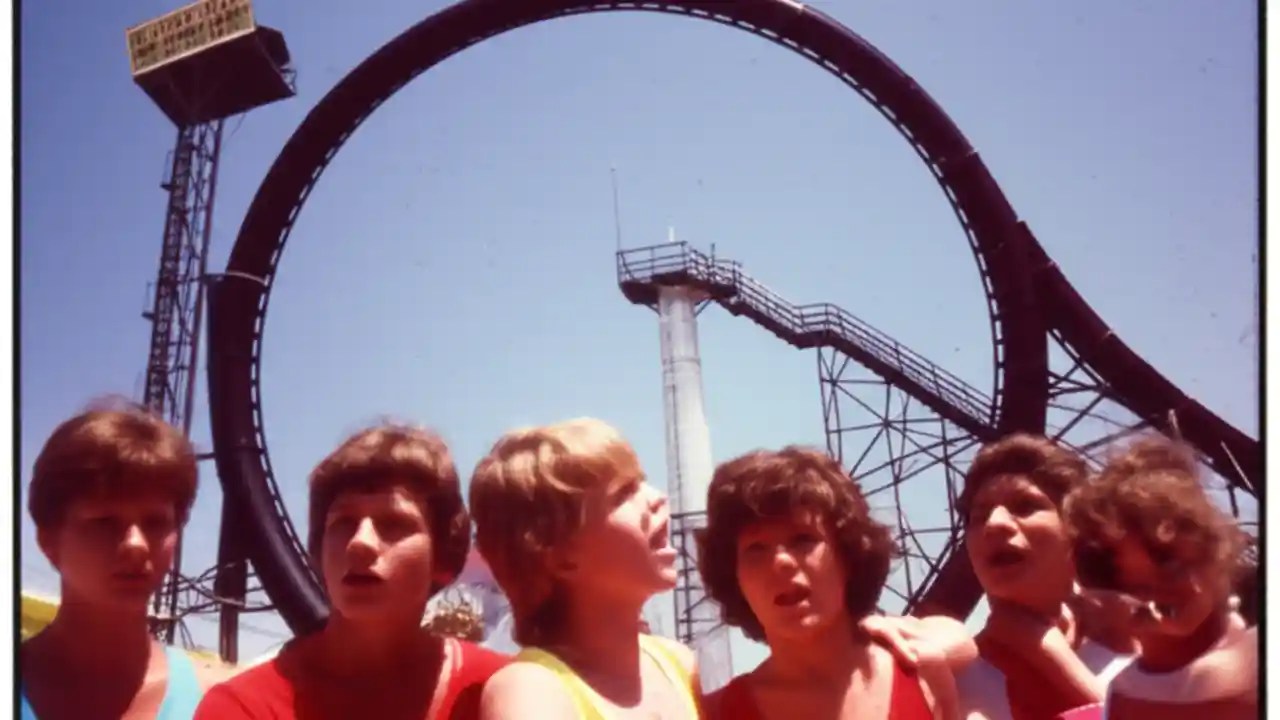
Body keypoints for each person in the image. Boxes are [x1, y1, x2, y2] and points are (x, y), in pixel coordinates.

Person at [195, 424, 509, 720]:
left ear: (443, 558)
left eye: (394, 524)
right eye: (343, 523)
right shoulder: (242, 707)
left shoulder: (503, 695)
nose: (360, 543)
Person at [697, 445, 976, 720]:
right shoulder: (717, 713)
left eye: (803, 539)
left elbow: (962, 640)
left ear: (848, 556)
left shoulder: (923, 675)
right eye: (756, 549)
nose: (780, 561)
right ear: (734, 578)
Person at [469, 418, 701, 720]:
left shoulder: (678, 664)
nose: (657, 498)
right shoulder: (531, 691)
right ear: (559, 556)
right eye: (624, 493)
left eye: (642, 481)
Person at [20, 402, 231, 720]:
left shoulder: (218, 702)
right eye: (104, 522)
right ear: (48, 540)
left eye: (156, 523)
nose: (136, 545)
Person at [1064, 436, 1257, 720]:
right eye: (1111, 575)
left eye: (1166, 557)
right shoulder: (1125, 693)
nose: (1153, 594)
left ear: (1215, 548)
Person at [952, 434, 1133, 720]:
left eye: (1025, 506)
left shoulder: (1151, 666)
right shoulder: (946, 683)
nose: (994, 524)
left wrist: (1046, 652)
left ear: (1077, 530)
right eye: (979, 515)